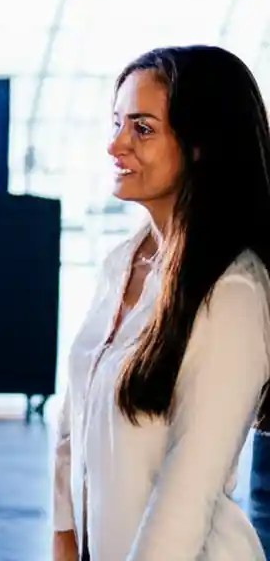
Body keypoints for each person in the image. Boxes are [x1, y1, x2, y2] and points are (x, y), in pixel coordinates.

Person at [52, 45, 270, 561]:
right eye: (117, 123)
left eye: (142, 129)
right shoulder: (120, 263)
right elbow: (71, 431)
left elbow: (188, 495)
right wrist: (63, 542)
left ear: (200, 147)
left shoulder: (232, 293)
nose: (116, 145)